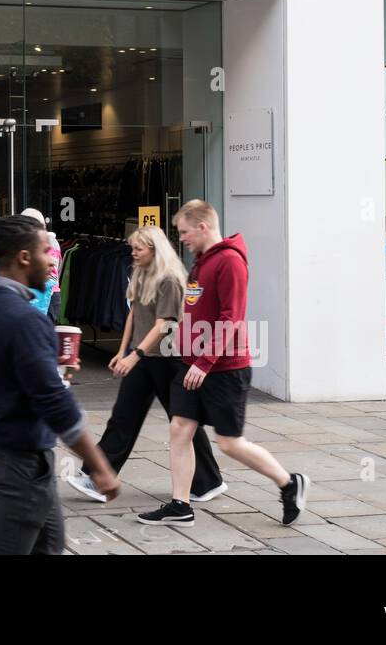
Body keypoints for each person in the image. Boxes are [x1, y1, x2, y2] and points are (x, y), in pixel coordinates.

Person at [0, 214, 120, 554]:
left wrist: (51, 373)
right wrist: (100, 465)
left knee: (49, 547)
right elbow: (55, 404)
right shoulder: (26, 320)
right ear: (24, 258)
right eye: (47, 252)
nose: (53, 261)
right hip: (17, 460)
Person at [139, 200, 308, 527]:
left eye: (185, 232)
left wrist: (203, 362)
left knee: (230, 443)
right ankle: (180, 505)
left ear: (203, 227)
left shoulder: (230, 261)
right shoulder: (202, 262)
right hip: (193, 364)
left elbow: (231, 318)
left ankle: (289, 484)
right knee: (179, 429)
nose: (182, 239)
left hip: (223, 369)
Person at [66, 225, 227, 505]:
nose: (133, 253)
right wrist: (122, 349)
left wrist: (134, 355)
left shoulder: (169, 280)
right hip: (145, 357)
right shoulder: (141, 274)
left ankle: (208, 481)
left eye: (138, 249)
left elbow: (164, 324)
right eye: (132, 249)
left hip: (169, 360)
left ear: (154, 250)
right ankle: (97, 476)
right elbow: (133, 313)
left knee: (183, 424)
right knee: (124, 418)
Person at [19, 208, 61, 320]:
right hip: (48, 293)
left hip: (46, 294)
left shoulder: (45, 241)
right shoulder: (50, 241)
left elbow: (49, 271)